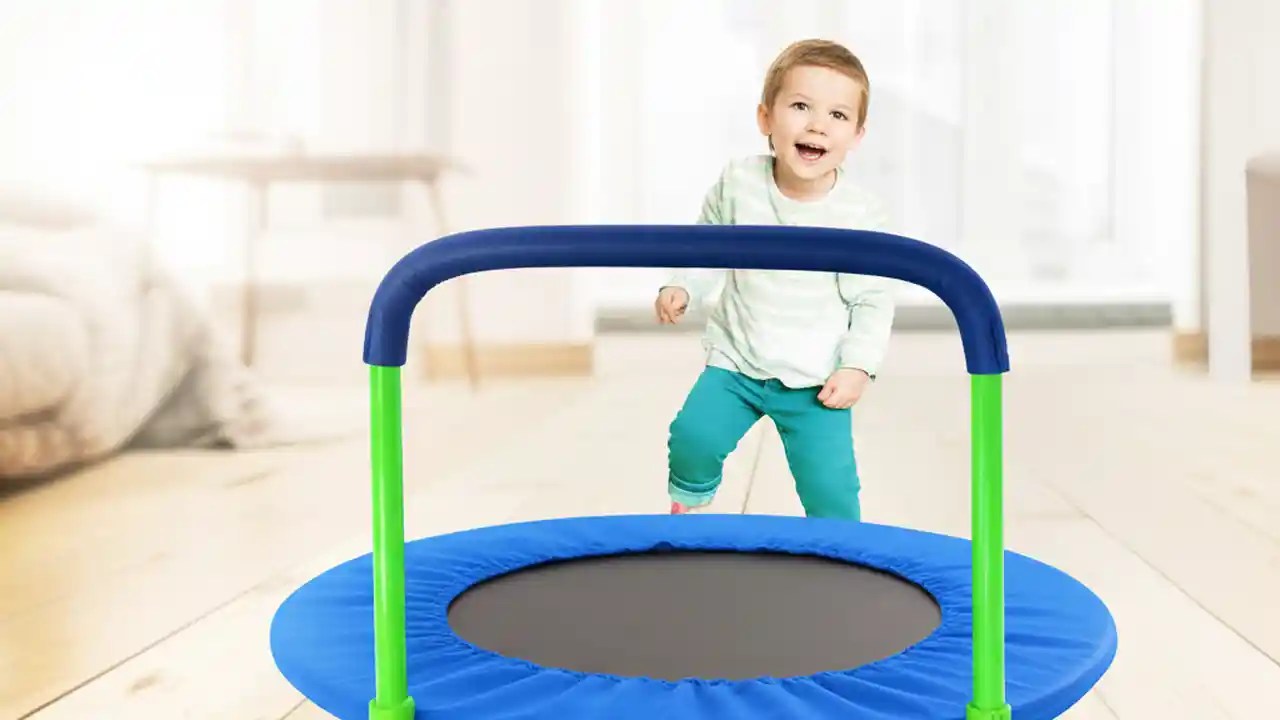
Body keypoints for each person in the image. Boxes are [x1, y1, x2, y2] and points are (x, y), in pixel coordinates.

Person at [654, 38, 896, 521]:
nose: (817, 125)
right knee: (693, 437)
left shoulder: (858, 213)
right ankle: (690, 509)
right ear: (766, 118)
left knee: (830, 486)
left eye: (837, 115)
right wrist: (682, 285)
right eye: (801, 106)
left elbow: (872, 299)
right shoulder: (739, 183)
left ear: (857, 135)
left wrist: (857, 366)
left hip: (816, 376)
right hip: (737, 359)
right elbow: (706, 243)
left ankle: (840, 547)